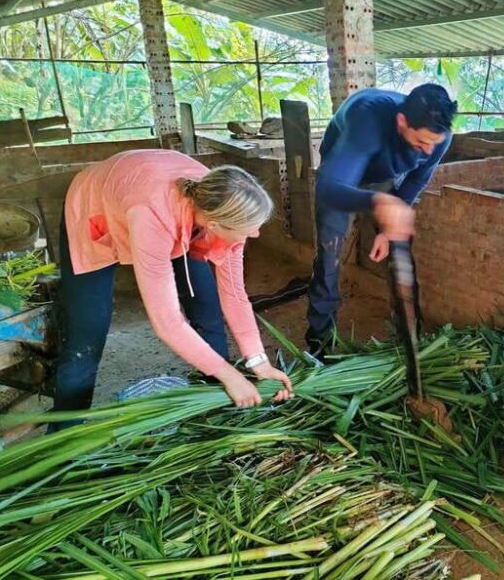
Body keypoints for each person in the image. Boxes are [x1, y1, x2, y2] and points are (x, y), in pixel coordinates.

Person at [53, 149, 292, 431]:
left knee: (206, 306)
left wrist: (259, 362)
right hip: (96, 208)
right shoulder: (151, 216)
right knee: (86, 335)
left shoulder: (222, 204)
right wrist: (232, 375)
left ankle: (216, 401)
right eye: (249, 229)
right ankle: (64, 433)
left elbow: (236, 296)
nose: (255, 235)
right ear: (214, 226)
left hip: (168, 205)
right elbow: (166, 321)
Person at [306, 84, 457, 356]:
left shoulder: (438, 137)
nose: (426, 151)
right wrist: (378, 202)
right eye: (421, 142)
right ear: (402, 121)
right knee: (330, 257)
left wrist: (388, 230)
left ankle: (409, 342)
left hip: (385, 175)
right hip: (342, 177)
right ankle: (320, 346)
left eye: (432, 144)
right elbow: (328, 190)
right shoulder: (367, 118)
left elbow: (417, 179)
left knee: (400, 251)